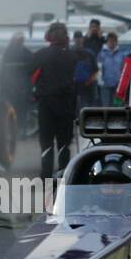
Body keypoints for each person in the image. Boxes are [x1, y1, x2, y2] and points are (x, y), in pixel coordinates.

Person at [30, 22, 78, 179]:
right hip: (66, 104)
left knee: (46, 143)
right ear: (66, 37)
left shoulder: (40, 54)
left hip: (46, 104)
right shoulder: (72, 55)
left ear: (48, 36)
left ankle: (45, 177)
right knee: (64, 143)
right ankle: (64, 176)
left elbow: (31, 77)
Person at [0, 32, 32, 135]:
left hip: (18, 87)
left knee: (19, 110)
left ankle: (20, 132)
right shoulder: (24, 52)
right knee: (18, 110)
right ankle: (19, 131)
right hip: (16, 87)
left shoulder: (10, 52)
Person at [97, 32, 125, 108]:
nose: (112, 43)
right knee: (106, 106)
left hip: (118, 85)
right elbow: (99, 69)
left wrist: (122, 83)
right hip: (105, 84)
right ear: (107, 42)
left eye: (114, 41)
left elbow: (123, 69)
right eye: (110, 41)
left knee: (118, 105)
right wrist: (100, 81)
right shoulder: (101, 54)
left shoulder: (121, 55)